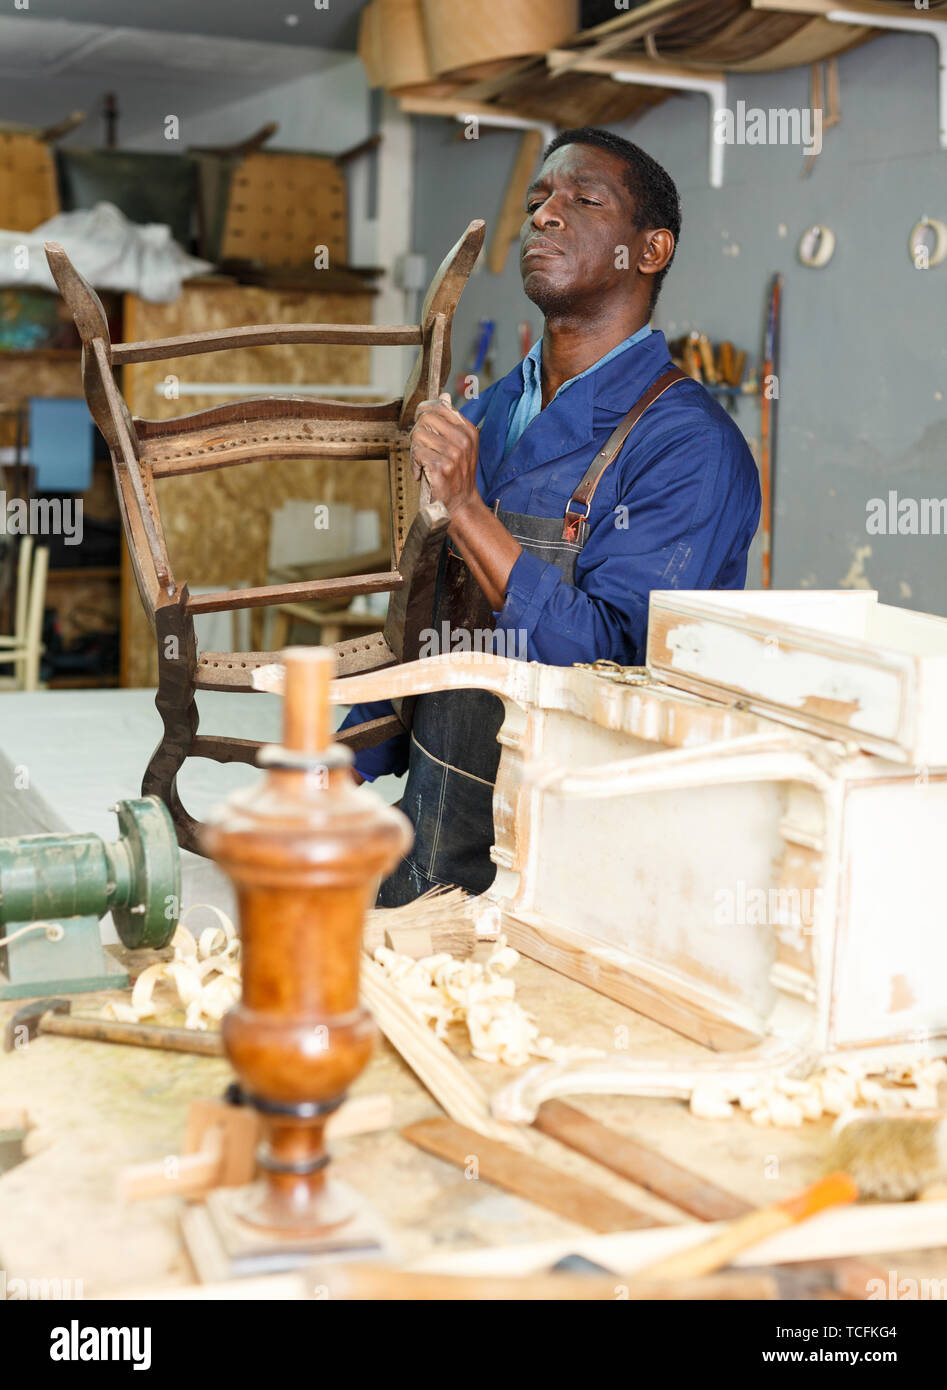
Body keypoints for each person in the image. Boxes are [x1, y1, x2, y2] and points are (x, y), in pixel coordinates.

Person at [341, 126, 761, 905]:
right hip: (433, 854)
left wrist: (468, 509)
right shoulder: (489, 413)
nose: (543, 214)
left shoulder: (688, 448)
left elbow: (613, 664)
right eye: (537, 200)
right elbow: (428, 617)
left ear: (650, 250)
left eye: (582, 200)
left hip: (579, 880)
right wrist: (341, 756)